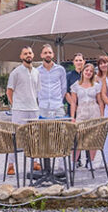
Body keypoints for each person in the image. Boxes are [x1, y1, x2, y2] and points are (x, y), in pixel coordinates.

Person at [6, 46, 40, 175]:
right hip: (19, 110)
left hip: (34, 108)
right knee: (16, 137)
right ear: (21, 57)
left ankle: (35, 162)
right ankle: (11, 165)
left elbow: (37, 91)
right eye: (25, 53)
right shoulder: (16, 72)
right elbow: (9, 91)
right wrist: (15, 105)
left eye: (30, 53)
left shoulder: (37, 72)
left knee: (34, 137)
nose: (28, 55)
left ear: (33, 55)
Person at [70, 63, 103, 164]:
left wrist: (102, 115)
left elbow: (100, 101)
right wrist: (72, 117)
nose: (88, 72)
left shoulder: (96, 86)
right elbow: (73, 102)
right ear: (83, 72)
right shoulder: (76, 86)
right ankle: (74, 161)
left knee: (93, 137)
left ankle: (91, 161)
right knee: (77, 137)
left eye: (91, 71)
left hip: (94, 110)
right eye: (86, 70)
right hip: (82, 111)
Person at [37, 44, 67, 118]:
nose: (48, 54)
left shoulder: (61, 69)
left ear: (53, 54)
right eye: (45, 53)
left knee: (60, 128)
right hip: (42, 107)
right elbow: (35, 88)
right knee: (42, 129)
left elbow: (64, 88)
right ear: (41, 55)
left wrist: (59, 100)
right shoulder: (36, 71)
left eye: (50, 52)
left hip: (58, 106)